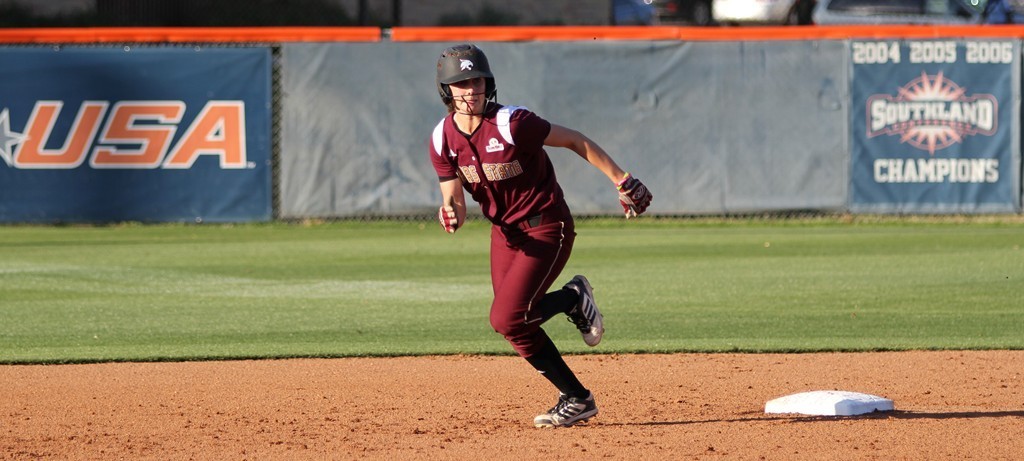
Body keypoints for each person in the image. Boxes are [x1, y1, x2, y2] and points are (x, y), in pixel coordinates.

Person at [428, 44, 653, 428]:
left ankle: (572, 302)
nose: (472, 90)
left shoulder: (512, 123)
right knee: (515, 326)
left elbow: (575, 140)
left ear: (488, 84)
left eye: (477, 81)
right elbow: (455, 199)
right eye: (461, 83)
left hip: (547, 226)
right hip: (506, 234)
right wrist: (450, 212)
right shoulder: (442, 138)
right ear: (447, 91)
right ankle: (577, 396)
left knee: (507, 318)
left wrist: (622, 179)